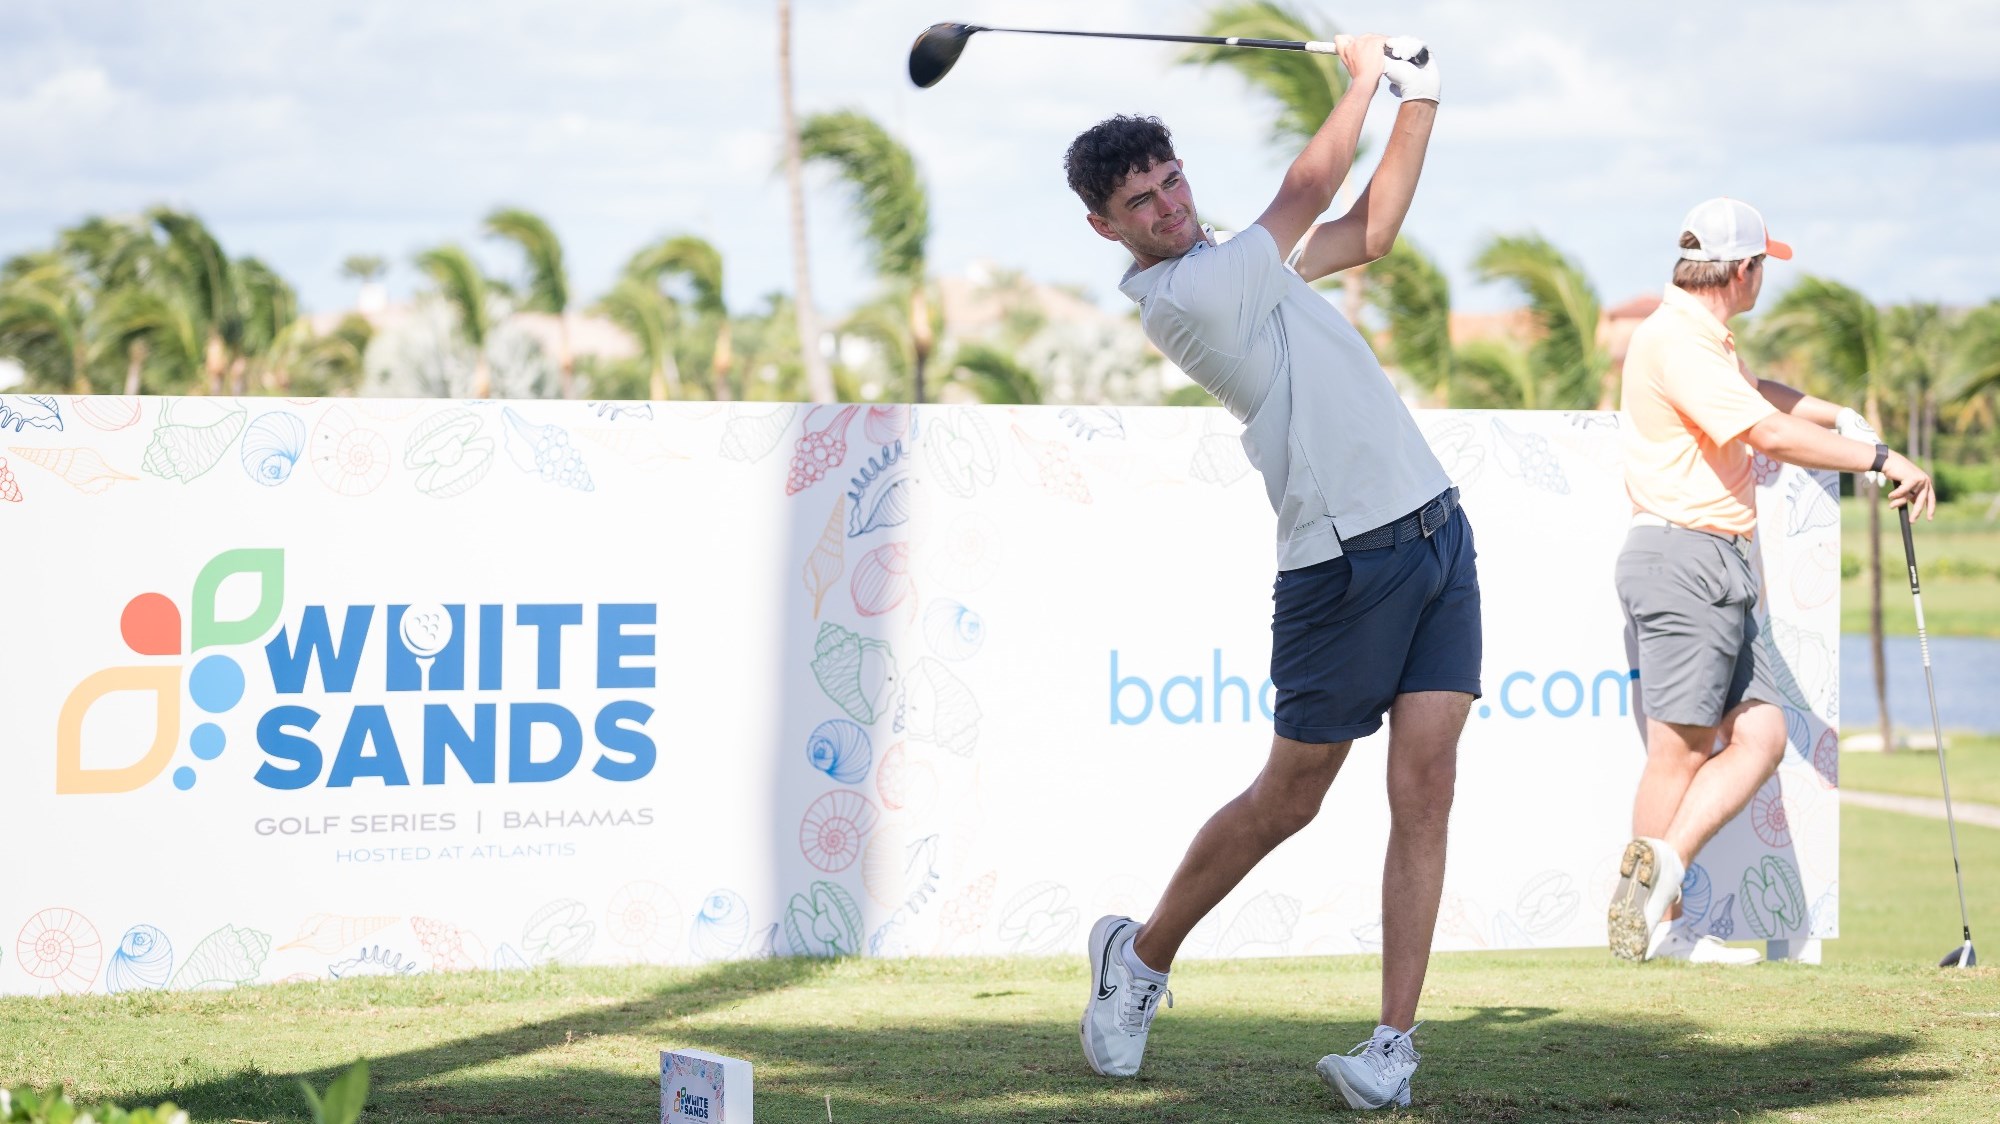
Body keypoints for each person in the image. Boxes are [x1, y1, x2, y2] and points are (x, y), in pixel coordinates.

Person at [1063, 35, 1466, 1111]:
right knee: (1290, 798)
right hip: (1342, 562)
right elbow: (1310, 188)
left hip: (1437, 531)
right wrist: (1361, 76)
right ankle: (1140, 956)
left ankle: (1391, 1045)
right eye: (1140, 201)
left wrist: (1418, 98)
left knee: (1425, 787)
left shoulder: (1244, 262)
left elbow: (1368, 231)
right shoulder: (1186, 294)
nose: (1167, 205)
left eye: (1171, 179)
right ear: (1105, 227)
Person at [1608, 198, 1934, 965]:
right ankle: (1656, 931)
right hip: (1686, 559)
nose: (1765, 278)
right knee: (1680, 751)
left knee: (1760, 735)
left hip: (1713, 566)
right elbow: (1768, 431)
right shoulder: (1677, 339)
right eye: (1763, 266)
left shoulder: (1704, 338)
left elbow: (1765, 398)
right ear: (1743, 270)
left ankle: (1665, 876)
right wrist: (1882, 459)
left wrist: (1842, 417)